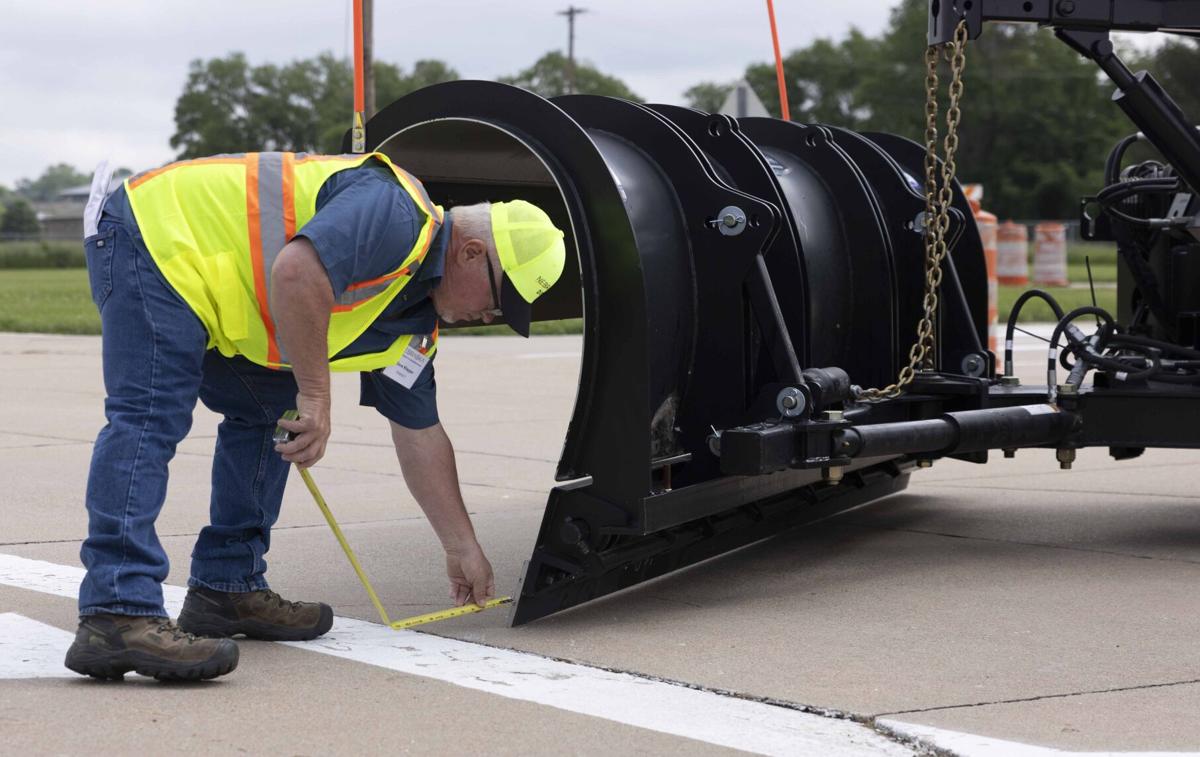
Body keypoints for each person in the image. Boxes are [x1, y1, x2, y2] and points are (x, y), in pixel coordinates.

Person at [64, 151, 567, 681]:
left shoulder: (411, 327)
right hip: (158, 235)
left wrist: (461, 546)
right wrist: (317, 397)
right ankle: (116, 612)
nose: (490, 316)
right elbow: (297, 273)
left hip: (211, 281)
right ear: (470, 252)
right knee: (149, 416)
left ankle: (226, 588)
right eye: (498, 300)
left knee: (266, 410)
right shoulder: (396, 211)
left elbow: (421, 434)